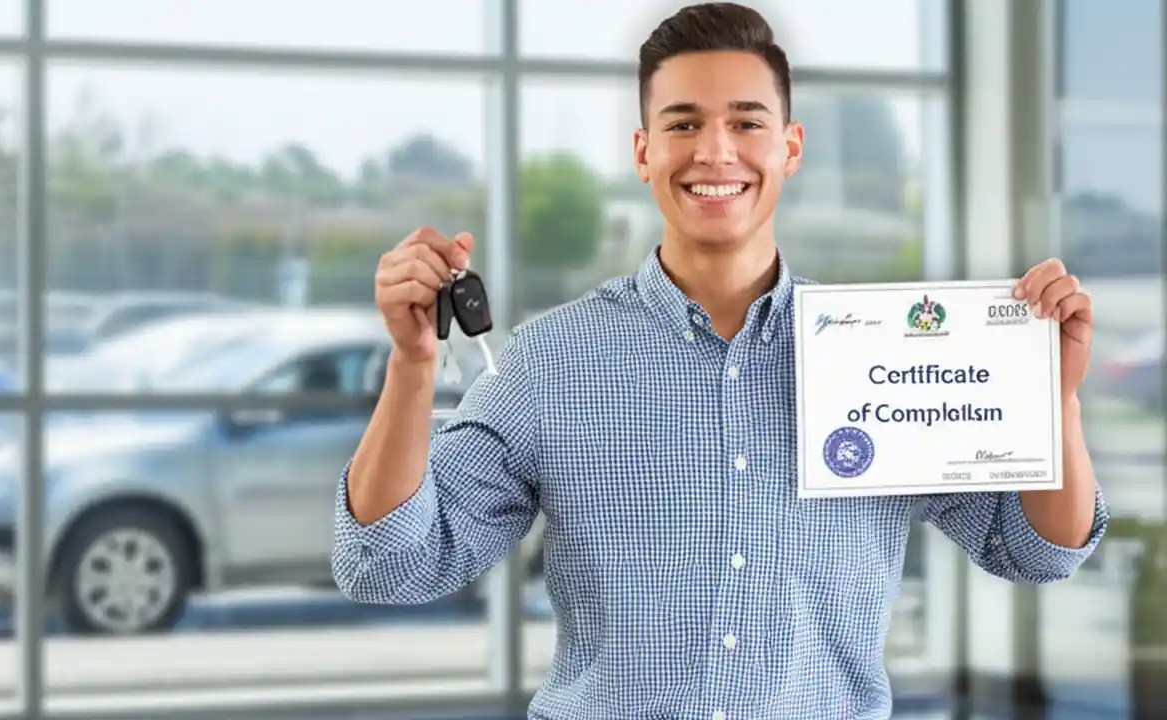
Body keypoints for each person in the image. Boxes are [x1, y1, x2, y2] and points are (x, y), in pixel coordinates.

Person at [332, 3, 1109, 718]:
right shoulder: (551, 363)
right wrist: (412, 364)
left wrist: (1057, 404)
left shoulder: (887, 354)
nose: (715, 151)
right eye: (683, 124)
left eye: (746, 122)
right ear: (643, 151)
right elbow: (388, 565)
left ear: (790, 147)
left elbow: (1037, 548)